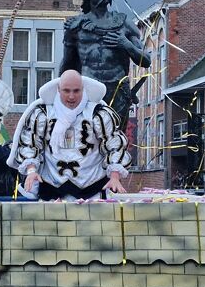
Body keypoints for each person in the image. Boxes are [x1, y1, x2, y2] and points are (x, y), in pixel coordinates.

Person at [8, 70, 131, 200]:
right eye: (66, 91)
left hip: (91, 189)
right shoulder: (43, 114)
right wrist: (31, 170)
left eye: (76, 91)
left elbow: (114, 143)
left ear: (83, 90)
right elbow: (30, 143)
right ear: (58, 90)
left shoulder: (97, 114)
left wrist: (114, 175)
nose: (71, 96)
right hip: (52, 189)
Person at [59, 0, 150, 130]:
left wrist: (127, 45)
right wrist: (60, 95)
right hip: (87, 89)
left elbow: (146, 60)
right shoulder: (77, 26)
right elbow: (67, 64)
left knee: (114, 138)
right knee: (86, 137)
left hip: (117, 90)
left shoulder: (123, 24)